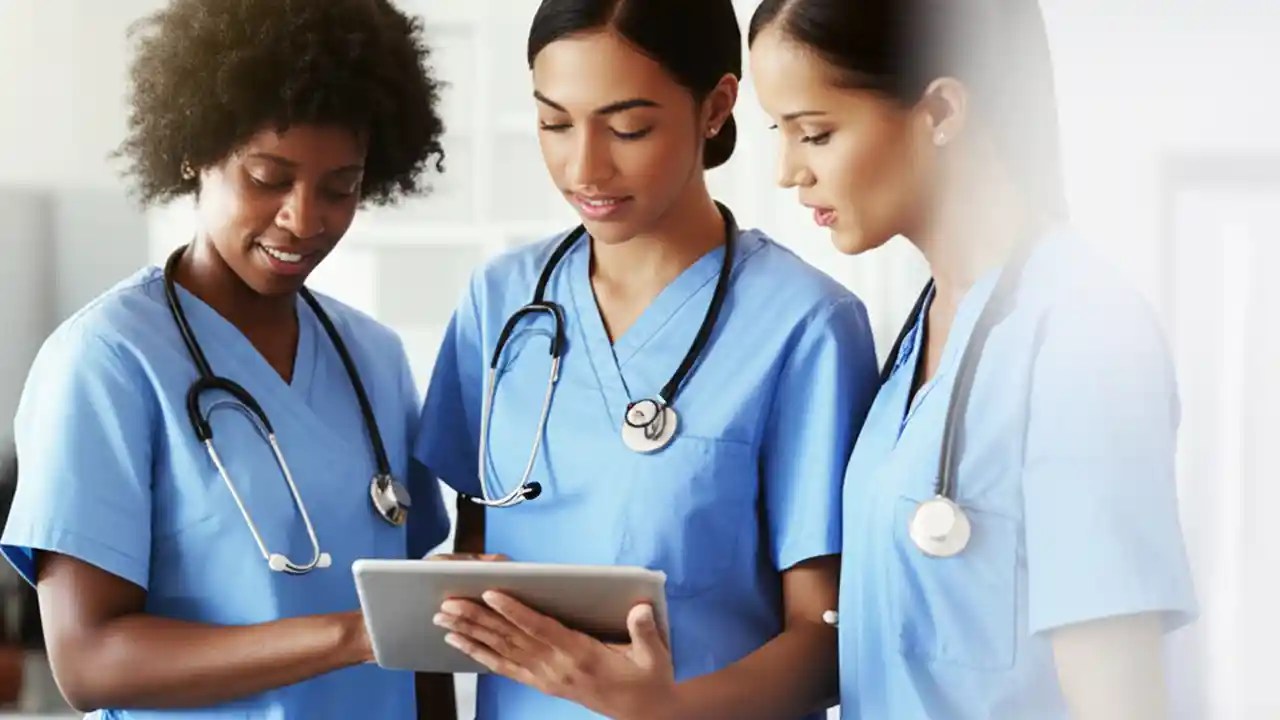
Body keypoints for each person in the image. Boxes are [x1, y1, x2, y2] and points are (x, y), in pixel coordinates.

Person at [415, 0, 880, 718]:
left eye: (628, 128)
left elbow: (828, 639)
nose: (584, 167)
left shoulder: (806, 325)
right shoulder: (500, 303)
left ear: (716, 107)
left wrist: (662, 710)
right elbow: (468, 583)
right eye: (554, 123)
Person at [0, 0, 452, 716]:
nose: (304, 218)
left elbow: (417, 620)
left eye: (341, 187)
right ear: (195, 150)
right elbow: (89, 661)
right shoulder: (108, 360)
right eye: (268, 178)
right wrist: (351, 636)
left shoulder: (374, 358)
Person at [747, 1, 1198, 718]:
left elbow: (1122, 700)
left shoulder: (1081, 334)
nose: (788, 172)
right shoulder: (924, 334)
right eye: (783, 133)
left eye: (816, 133)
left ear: (942, 111)